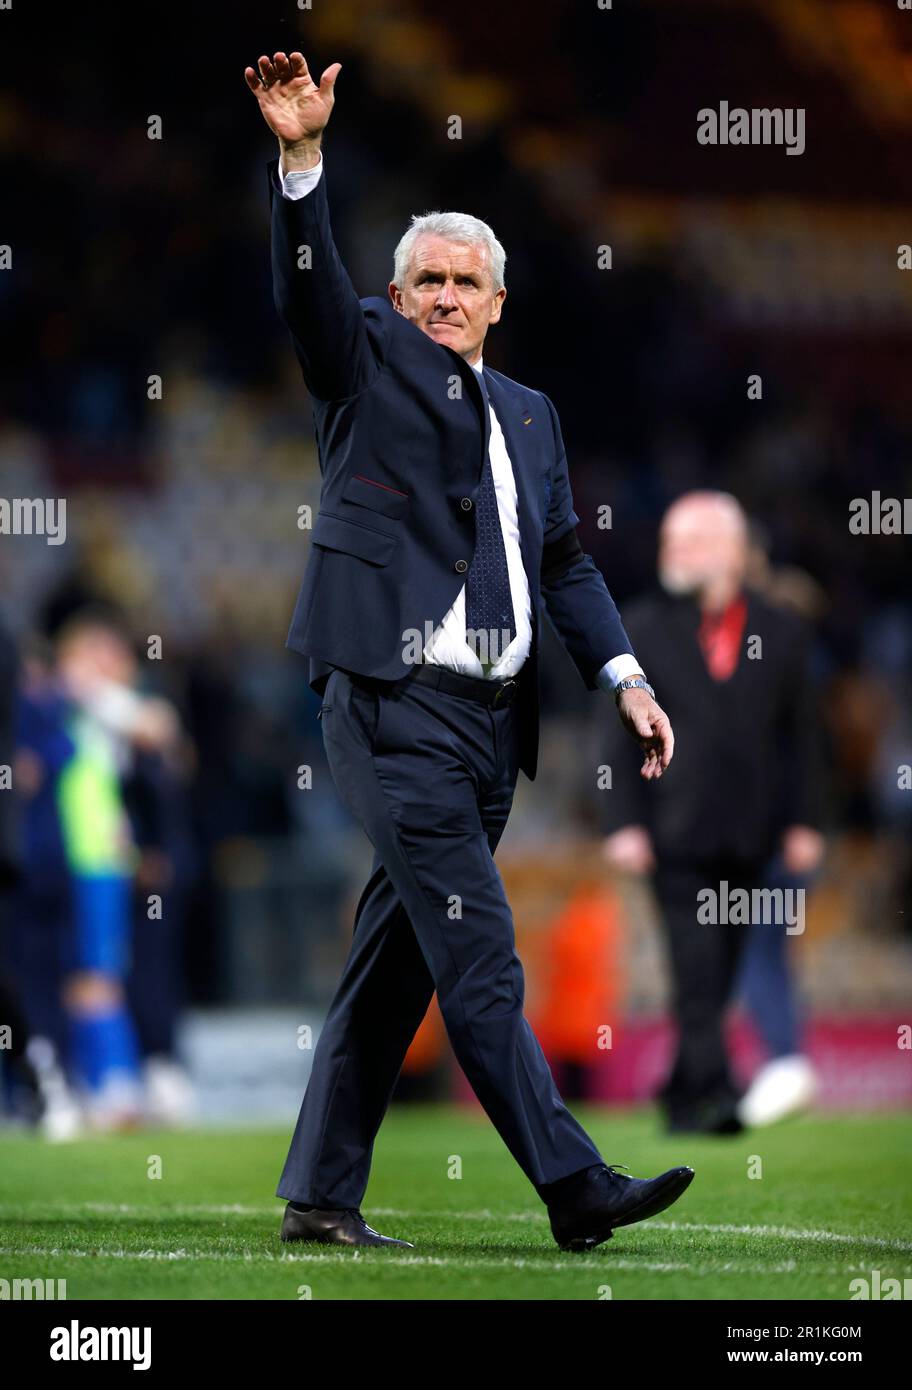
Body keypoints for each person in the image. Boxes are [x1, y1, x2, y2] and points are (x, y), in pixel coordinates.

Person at [246, 50, 694, 1253]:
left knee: (396, 965)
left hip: (496, 727)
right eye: (426, 280)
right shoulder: (366, 362)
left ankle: (320, 1197)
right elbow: (306, 298)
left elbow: (564, 566)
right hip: (392, 703)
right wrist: (301, 164)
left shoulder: (535, 416)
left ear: (499, 301)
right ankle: (574, 1183)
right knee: (480, 951)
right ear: (398, 301)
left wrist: (628, 677)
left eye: (466, 281)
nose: (444, 296)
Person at [600, 492, 825, 1135]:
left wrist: (806, 821)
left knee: (723, 971)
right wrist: (623, 824)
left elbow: (802, 739)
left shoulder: (780, 632)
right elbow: (610, 736)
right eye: (670, 542)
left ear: (730, 548)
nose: (673, 554)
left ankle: (680, 1090)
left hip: (752, 835)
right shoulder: (639, 627)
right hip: (674, 833)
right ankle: (715, 1094)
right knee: (695, 965)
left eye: (689, 541)